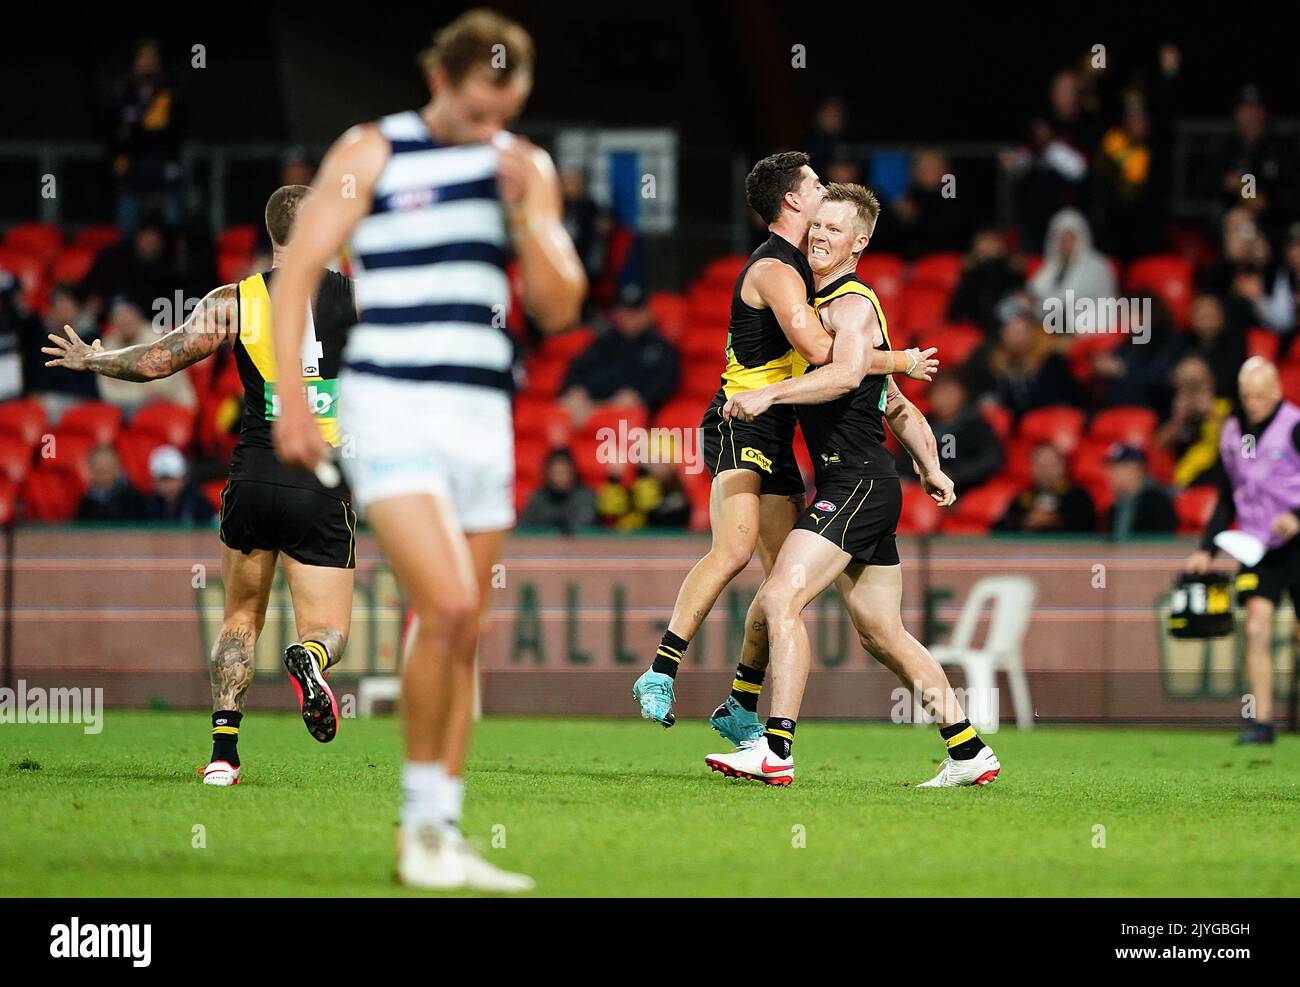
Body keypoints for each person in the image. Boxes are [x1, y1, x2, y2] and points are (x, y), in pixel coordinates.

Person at [268, 10, 585, 893]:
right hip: (391, 406)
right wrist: (296, 400)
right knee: (445, 605)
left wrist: (531, 213)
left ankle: (440, 832)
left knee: (461, 628)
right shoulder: (372, 151)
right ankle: (416, 831)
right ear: (441, 83)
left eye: (507, 113)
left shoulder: (522, 167)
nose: (492, 131)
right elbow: (298, 273)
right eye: (480, 112)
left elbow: (559, 305)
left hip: (482, 416)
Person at [44, 185, 358, 785]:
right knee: (328, 629)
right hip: (319, 477)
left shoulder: (234, 301)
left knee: (240, 614)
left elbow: (161, 360)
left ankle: (223, 755)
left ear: (269, 235)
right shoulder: (357, 300)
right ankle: (310, 659)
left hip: (254, 473)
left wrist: (94, 360)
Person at [703, 184, 998, 787]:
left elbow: (843, 377)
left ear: (859, 243)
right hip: (868, 482)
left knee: (782, 593)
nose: (819, 236)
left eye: (835, 230)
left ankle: (775, 750)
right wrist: (932, 467)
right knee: (883, 634)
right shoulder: (825, 305)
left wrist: (769, 394)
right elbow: (898, 407)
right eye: (817, 226)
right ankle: (969, 753)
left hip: (856, 482)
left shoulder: (852, 305)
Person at [629, 152, 935, 733]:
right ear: (794, 201)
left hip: (777, 427)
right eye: (816, 185)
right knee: (736, 549)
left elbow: (872, 387)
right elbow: (826, 356)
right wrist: (900, 357)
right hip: (741, 419)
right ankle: (662, 669)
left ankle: (742, 704)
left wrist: (925, 453)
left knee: (779, 591)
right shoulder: (776, 268)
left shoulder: (806, 270)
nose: (824, 192)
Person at [1187, 357, 1300, 744]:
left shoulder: (1294, 427)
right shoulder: (1232, 434)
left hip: (1297, 543)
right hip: (1259, 547)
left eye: (1259, 395)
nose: (1252, 403)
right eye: (1246, 395)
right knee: (1256, 627)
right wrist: (1206, 548)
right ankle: (1262, 722)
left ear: (1276, 392)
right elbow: (1226, 497)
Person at [558, 283, 679, 423]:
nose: (629, 317)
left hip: (630, 414)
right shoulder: (604, 341)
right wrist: (575, 389)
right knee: (562, 411)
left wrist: (640, 396)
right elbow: (577, 368)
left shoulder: (661, 348)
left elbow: (665, 382)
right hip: (589, 404)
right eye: (625, 311)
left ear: (647, 313)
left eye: (635, 311)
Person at [896, 374, 1001, 493]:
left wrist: (954, 474)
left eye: (950, 394)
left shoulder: (977, 425)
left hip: (966, 489)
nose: (945, 400)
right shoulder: (921, 425)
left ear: (963, 395)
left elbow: (990, 459)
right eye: (939, 394)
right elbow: (905, 461)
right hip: (922, 488)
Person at [995, 442, 1096, 533]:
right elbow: (1000, 528)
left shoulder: (1078, 496)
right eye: (1040, 465)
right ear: (1032, 467)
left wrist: (1055, 521)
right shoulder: (1023, 497)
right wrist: (1026, 522)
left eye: (1051, 465)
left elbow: (1087, 527)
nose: (1046, 470)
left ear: (1063, 466)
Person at [1104, 444, 1176, 538]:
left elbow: (1162, 545)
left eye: (1115, 468)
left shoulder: (1157, 503)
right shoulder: (1114, 507)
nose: (1110, 474)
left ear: (1135, 470)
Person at [519, 448, 597, 533]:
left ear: (573, 472)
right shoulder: (537, 499)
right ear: (548, 473)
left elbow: (584, 527)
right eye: (556, 472)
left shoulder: (586, 497)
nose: (560, 477)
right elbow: (523, 530)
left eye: (563, 472)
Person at [143, 444, 215, 526]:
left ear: (182, 478)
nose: (167, 485)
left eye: (171, 479)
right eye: (162, 480)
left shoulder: (199, 504)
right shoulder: (149, 506)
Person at [75, 445, 148, 522]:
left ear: (118, 467)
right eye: (98, 467)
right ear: (90, 469)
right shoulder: (85, 503)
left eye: (107, 466)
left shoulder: (134, 499)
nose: (103, 469)